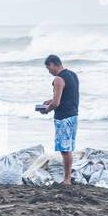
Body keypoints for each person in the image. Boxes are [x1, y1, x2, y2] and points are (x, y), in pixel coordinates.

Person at [39, 55, 80, 185]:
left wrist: (46, 109)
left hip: (63, 117)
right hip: (73, 115)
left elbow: (56, 103)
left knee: (65, 149)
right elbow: (68, 96)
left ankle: (67, 179)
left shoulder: (58, 79)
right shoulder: (73, 75)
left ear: (52, 64)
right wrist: (49, 101)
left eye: (48, 68)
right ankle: (68, 176)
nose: (49, 71)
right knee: (68, 148)